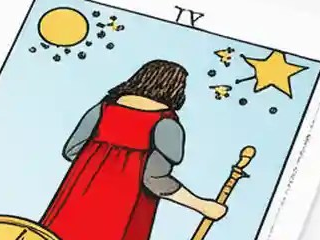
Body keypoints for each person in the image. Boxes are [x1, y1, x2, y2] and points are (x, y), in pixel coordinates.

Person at [40, 59, 227, 240]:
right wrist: (201, 205)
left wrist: (95, 165)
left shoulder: (103, 109)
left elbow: (72, 150)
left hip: (72, 206)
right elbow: (154, 179)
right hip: (120, 215)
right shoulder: (166, 123)